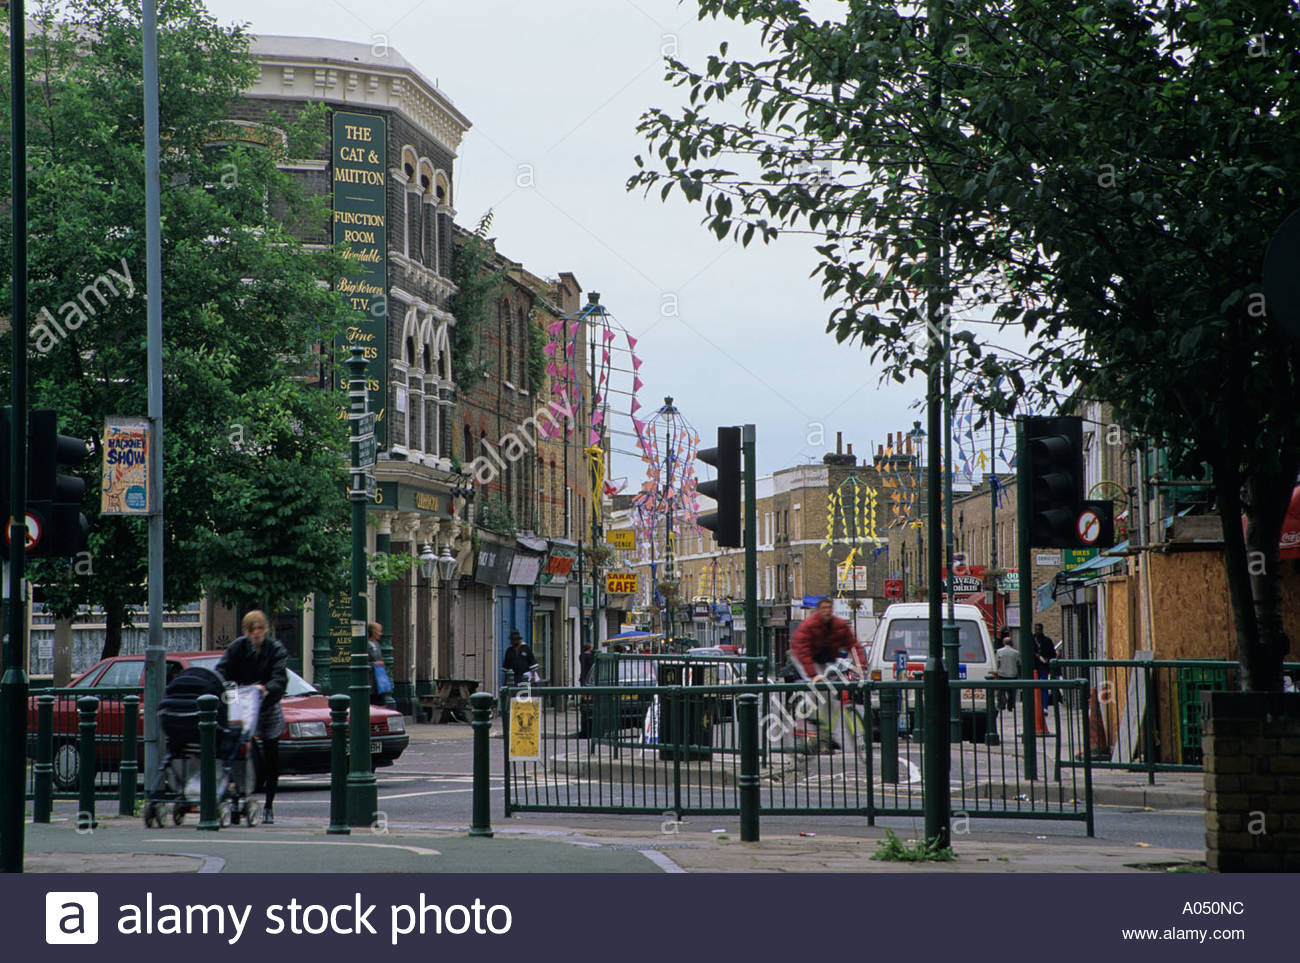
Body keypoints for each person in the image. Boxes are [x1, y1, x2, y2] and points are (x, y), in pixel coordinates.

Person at [216, 609, 288, 825]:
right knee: (237, 751)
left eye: (260, 628)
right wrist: (231, 689)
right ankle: (237, 800)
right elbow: (221, 670)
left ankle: (269, 805)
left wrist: (266, 689)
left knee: (271, 755)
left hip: (267, 706)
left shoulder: (275, 649)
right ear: (246, 631)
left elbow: (280, 677)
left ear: (266, 629)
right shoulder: (237, 647)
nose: (256, 633)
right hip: (242, 705)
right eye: (251, 629)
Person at [789, 597, 867, 683]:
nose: (827, 610)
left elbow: (853, 645)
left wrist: (860, 663)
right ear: (818, 610)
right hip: (802, 656)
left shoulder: (839, 625)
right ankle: (809, 694)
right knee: (816, 684)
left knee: (826, 687)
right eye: (824, 608)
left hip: (821, 659)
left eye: (830, 607)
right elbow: (803, 652)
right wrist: (813, 675)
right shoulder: (808, 626)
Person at [993, 628, 1020, 710]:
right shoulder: (1016, 652)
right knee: (1012, 692)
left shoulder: (999, 651)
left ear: (1003, 642)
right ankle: (1011, 706)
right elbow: (1018, 663)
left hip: (1002, 673)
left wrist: (997, 671)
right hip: (1012, 674)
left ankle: (1001, 705)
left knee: (1001, 692)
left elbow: (997, 662)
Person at [1033, 623, 1057, 708]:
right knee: (1034, 688)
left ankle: (1044, 706)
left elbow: (1053, 653)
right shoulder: (1031, 640)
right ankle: (1036, 706)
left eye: (1039, 629)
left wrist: (1047, 659)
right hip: (1034, 667)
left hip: (1043, 667)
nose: (1037, 631)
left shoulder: (1047, 641)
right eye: (1036, 629)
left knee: (1043, 687)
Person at [367, 621, 387, 707]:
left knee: (381, 703)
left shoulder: (377, 644)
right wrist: (375, 664)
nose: (380, 634)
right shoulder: (366, 645)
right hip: (370, 681)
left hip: (379, 680)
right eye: (378, 631)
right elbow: (363, 663)